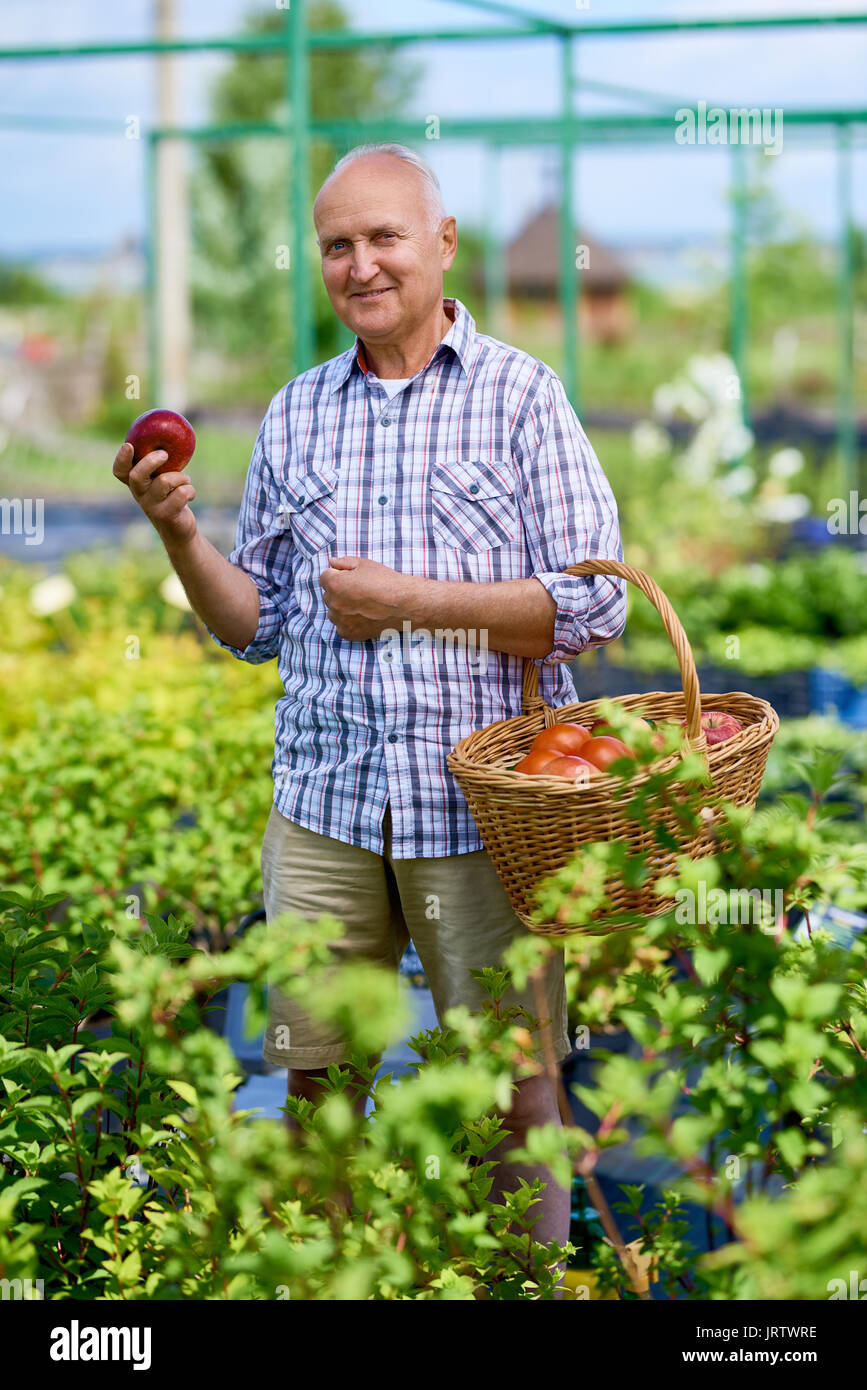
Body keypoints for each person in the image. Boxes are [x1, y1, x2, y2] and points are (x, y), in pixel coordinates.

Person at [113, 142, 626, 1280]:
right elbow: (258, 624)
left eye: (385, 236)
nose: (361, 264)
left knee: (512, 1077)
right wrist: (179, 533)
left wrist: (412, 602)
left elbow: (594, 605)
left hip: (481, 812)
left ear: (443, 246)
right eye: (338, 245)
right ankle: (332, 1278)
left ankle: (522, 1284)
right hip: (327, 806)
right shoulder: (297, 412)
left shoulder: (522, 396)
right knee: (314, 1069)